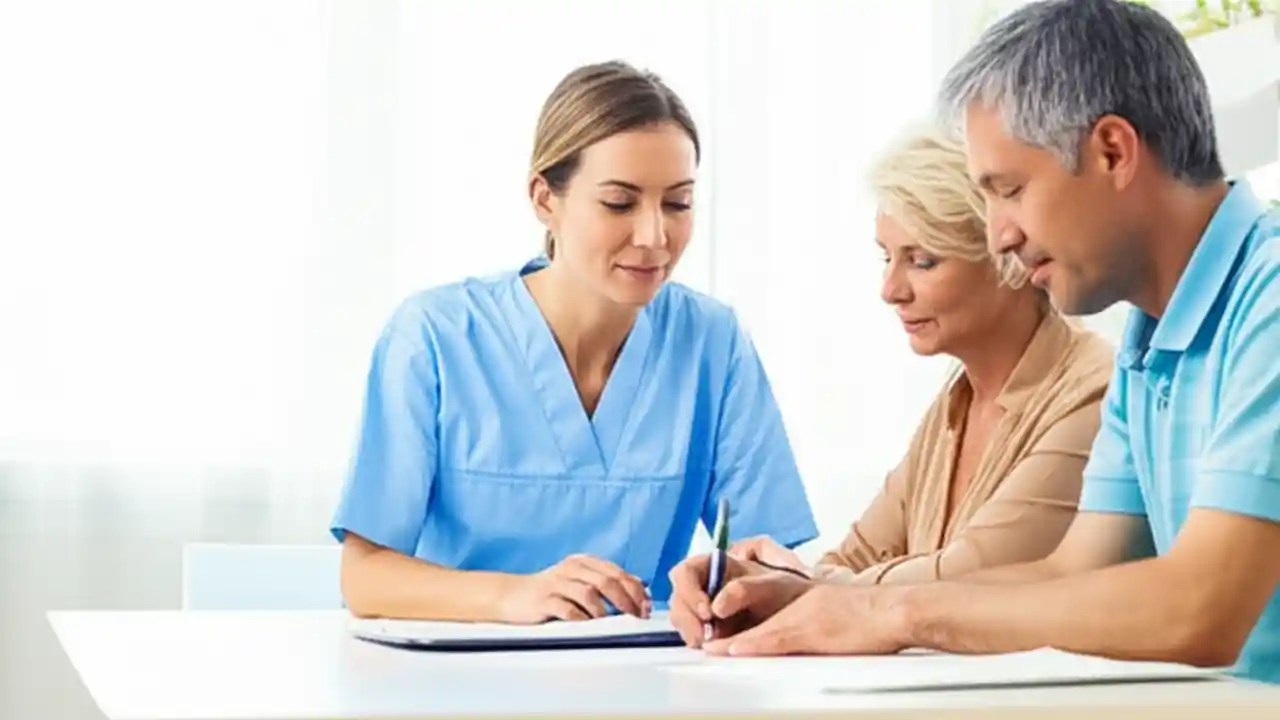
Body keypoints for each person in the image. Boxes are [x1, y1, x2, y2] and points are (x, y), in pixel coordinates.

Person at [668, 0, 1280, 684]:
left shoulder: (1271, 303)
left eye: (1010, 190)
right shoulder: (1150, 341)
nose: (998, 237)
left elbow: (1200, 608)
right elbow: (1071, 571)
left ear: (1113, 151)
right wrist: (825, 599)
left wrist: (895, 617)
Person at [331, 60, 817, 624]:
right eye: (619, 203)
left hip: (644, 685)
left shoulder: (713, 343)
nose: (654, 236)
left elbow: (766, 557)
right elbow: (364, 576)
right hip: (462, 684)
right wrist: (512, 596)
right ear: (545, 199)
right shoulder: (434, 337)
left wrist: (749, 581)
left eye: (678, 203)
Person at [728, 128, 1112, 587]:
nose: (890, 291)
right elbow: (855, 558)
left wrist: (798, 587)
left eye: (923, 261)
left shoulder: (1093, 394)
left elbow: (965, 578)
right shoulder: (956, 404)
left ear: (1007, 254)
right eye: (886, 258)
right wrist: (755, 581)